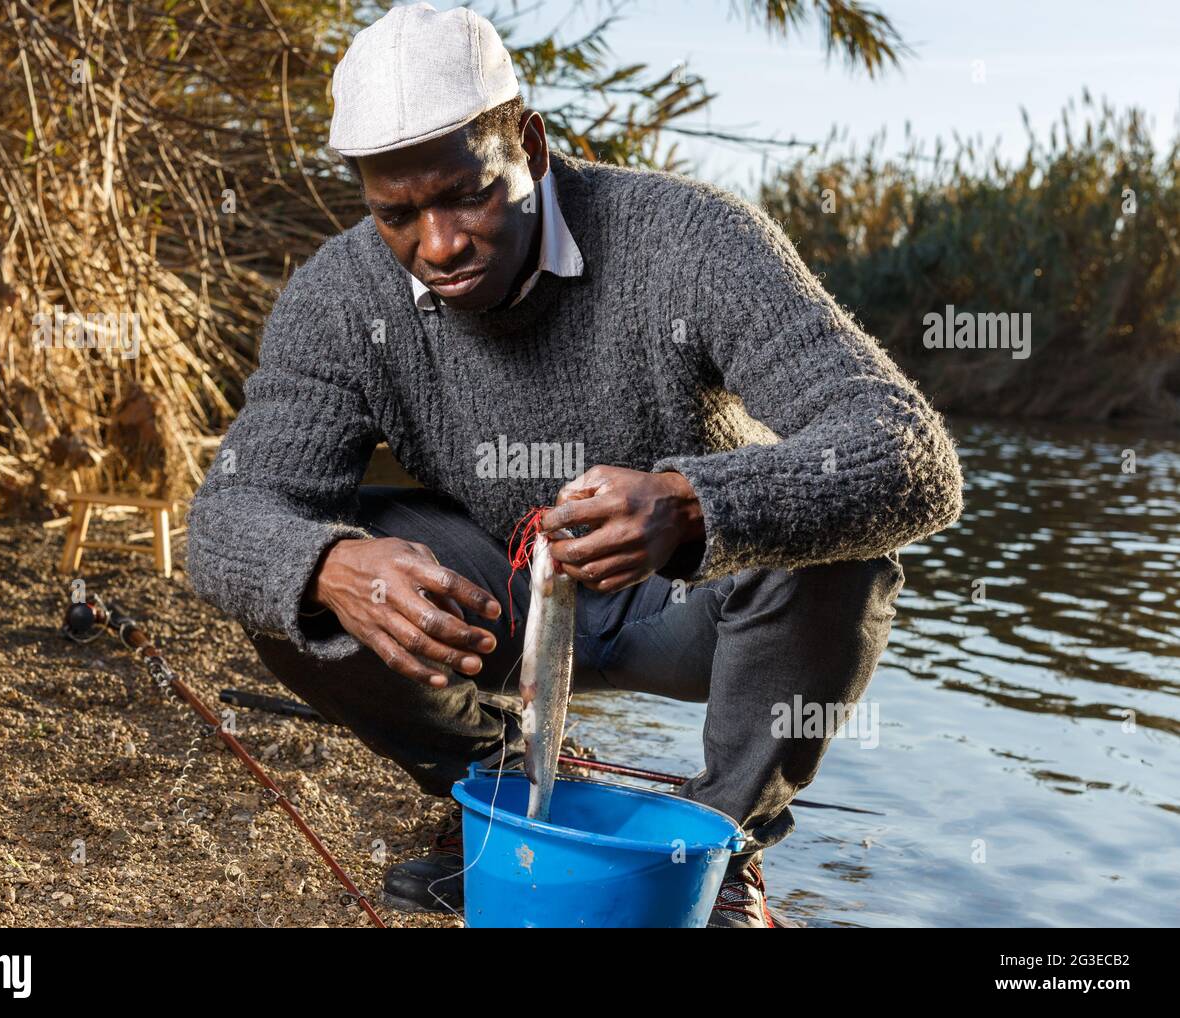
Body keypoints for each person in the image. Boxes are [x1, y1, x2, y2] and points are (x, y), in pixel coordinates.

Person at [186, 2, 964, 927]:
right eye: (397, 213)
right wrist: (330, 569)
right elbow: (227, 518)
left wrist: (692, 504)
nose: (438, 244)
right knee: (294, 577)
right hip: (502, 598)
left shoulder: (690, 237)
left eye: (466, 193)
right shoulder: (339, 296)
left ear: (532, 143)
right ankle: (499, 804)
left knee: (845, 551)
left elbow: (911, 455)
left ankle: (719, 852)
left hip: (698, 600)